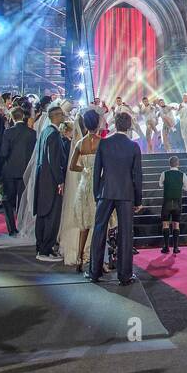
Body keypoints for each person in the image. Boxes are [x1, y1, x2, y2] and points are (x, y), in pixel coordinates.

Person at [88, 111, 145, 285]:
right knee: (126, 233)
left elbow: (97, 171)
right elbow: (137, 176)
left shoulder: (104, 143)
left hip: (106, 192)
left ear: (115, 124)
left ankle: (94, 272)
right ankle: (125, 275)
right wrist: (138, 200)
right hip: (126, 194)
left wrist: (97, 193)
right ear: (129, 126)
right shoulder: (133, 147)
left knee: (99, 230)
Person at [61, 109, 103, 270]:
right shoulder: (102, 142)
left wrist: (85, 169)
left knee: (84, 225)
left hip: (84, 185)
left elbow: (72, 166)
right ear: (97, 124)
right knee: (99, 223)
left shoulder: (80, 143)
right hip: (98, 185)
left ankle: (79, 257)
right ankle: (97, 260)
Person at [32, 104, 67, 262]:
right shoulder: (53, 134)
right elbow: (54, 160)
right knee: (51, 216)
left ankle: (41, 247)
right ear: (56, 116)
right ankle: (45, 250)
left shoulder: (45, 132)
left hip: (43, 179)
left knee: (43, 214)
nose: (63, 116)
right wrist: (60, 181)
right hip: (51, 181)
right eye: (61, 114)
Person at [0, 106, 35, 236]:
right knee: (23, 199)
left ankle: (11, 227)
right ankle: (22, 225)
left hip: (10, 169)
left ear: (12, 117)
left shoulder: (8, 132)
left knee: (8, 199)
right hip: (25, 170)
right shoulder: (32, 133)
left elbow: (3, 152)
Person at [158, 156, 187, 254]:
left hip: (167, 202)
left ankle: (166, 247)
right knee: (176, 224)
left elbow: (160, 185)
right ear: (178, 164)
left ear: (169, 164)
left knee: (165, 224)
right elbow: (186, 188)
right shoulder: (182, 175)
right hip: (177, 202)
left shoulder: (164, 174)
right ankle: (175, 248)